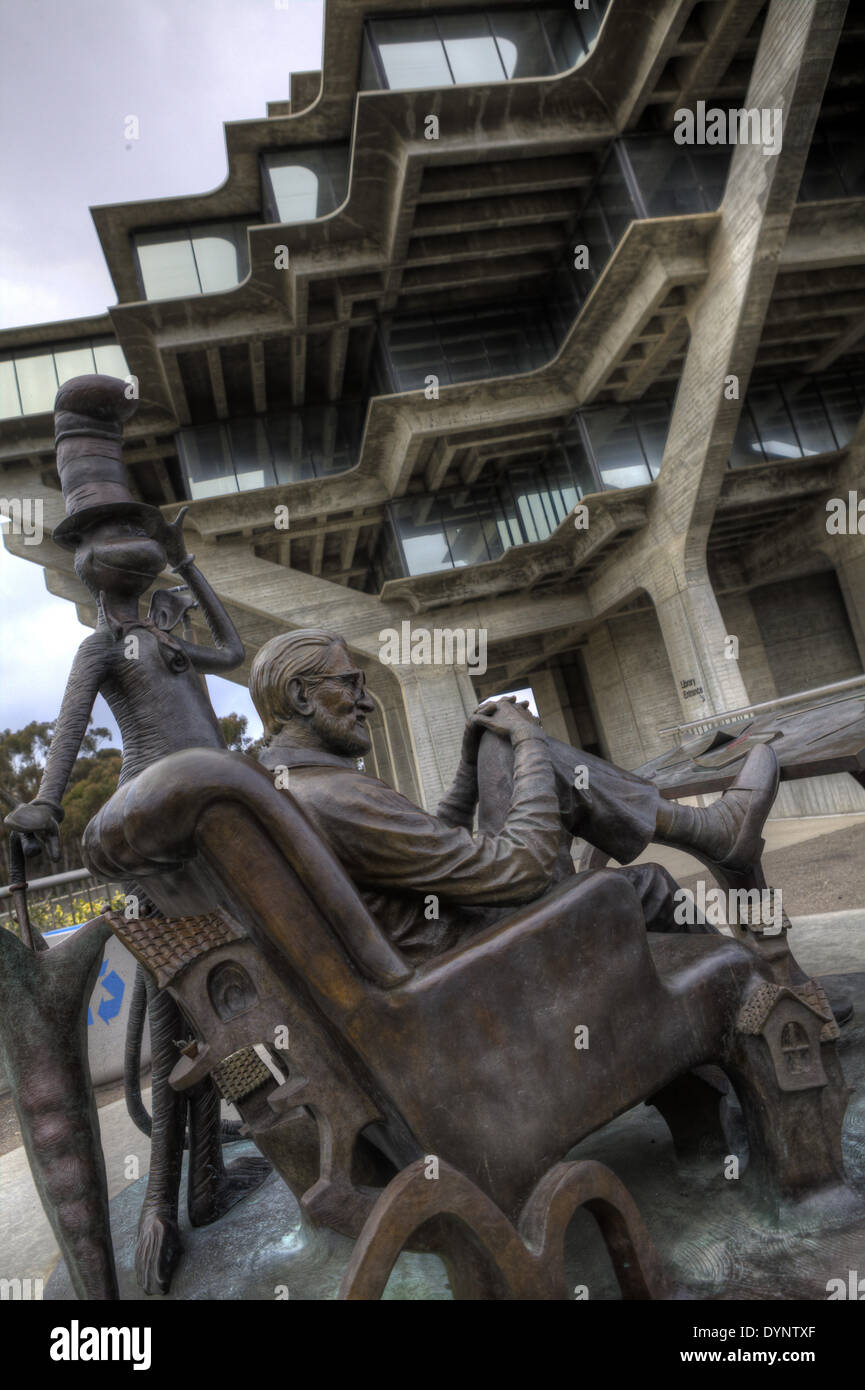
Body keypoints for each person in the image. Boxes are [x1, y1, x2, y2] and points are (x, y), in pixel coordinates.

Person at [249, 628, 779, 964]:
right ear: (300, 696)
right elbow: (521, 870)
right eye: (352, 682)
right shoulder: (334, 798)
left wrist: (467, 770)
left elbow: (428, 854)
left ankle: (709, 834)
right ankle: (749, 982)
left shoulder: (299, 787)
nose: (366, 701)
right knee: (647, 886)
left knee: (498, 750)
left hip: (465, 929)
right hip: (488, 955)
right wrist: (526, 738)